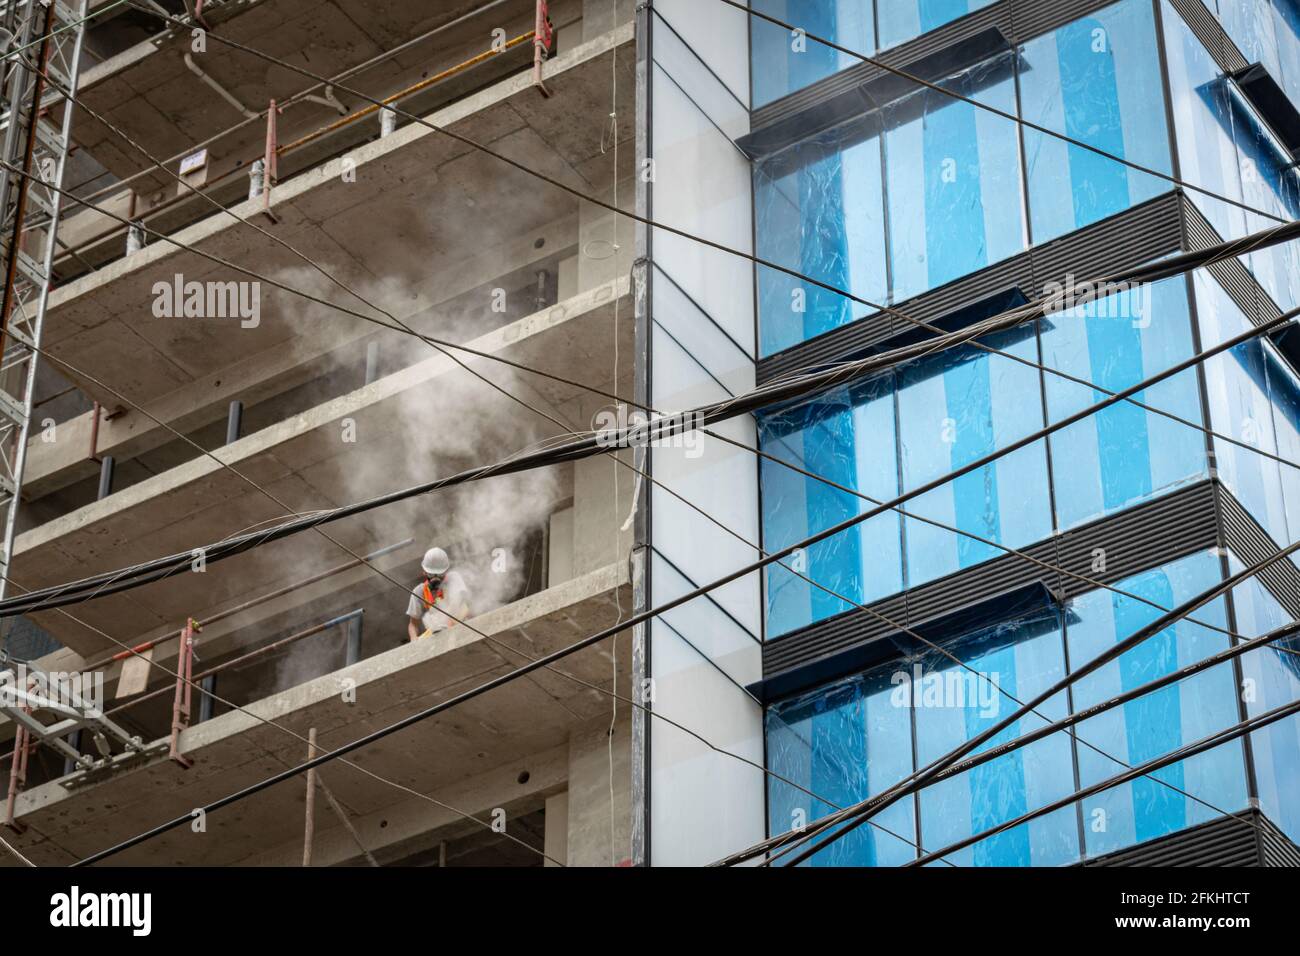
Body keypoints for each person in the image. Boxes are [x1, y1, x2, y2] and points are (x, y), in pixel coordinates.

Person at [406, 546, 471, 642]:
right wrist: (414, 639)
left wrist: (447, 623)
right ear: (424, 572)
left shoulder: (454, 578)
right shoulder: (419, 592)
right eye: (432, 574)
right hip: (437, 634)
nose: (436, 578)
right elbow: (413, 624)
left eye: (440, 574)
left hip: (461, 626)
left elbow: (457, 602)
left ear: (446, 571)